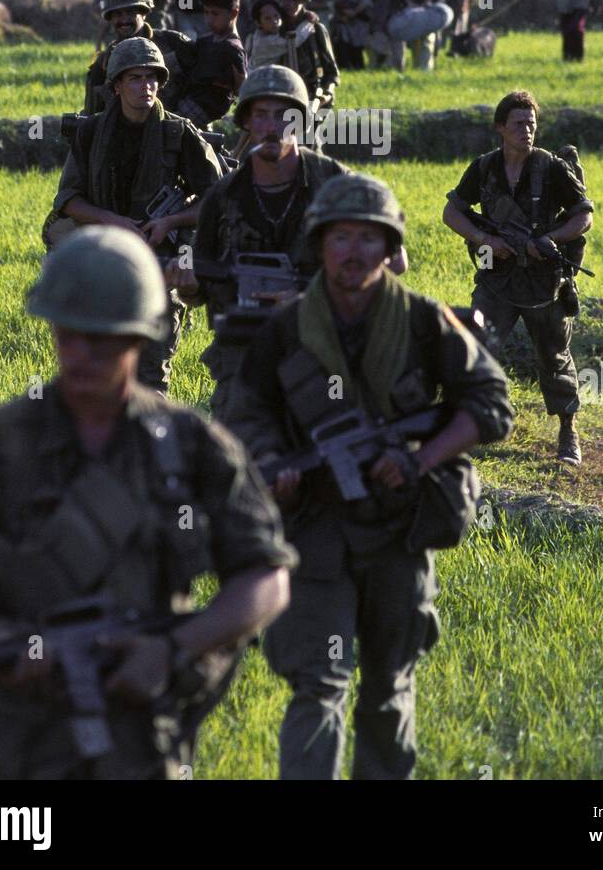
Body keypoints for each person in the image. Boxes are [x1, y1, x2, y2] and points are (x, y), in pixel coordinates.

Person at [0, 226, 294, 781]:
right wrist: (2, 640)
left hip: (145, 733)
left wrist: (174, 649)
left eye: (102, 338)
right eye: (69, 333)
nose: (81, 353)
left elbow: (266, 578)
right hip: (17, 735)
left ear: (141, 337)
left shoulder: (190, 443)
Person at [224, 173, 513, 781]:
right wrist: (271, 466)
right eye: (340, 237)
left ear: (389, 248)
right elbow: (243, 414)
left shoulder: (423, 321)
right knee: (318, 688)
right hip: (315, 533)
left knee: (387, 689)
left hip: (397, 532)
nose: (353, 253)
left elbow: (489, 403)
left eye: (368, 239)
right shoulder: (285, 327)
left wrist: (418, 457)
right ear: (320, 243)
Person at [46, 36, 222, 392]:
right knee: (97, 372)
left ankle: (150, 441)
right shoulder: (91, 132)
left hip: (160, 263)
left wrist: (170, 222)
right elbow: (68, 200)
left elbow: (217, 200)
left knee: (151, 374)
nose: (147, 86)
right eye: (136, 78)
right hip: (102, 260)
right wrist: (112, 221)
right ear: (116, 86)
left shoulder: (179, 133)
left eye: (152, 77)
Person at [190, 66, 351, 417]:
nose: (272, 127)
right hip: (243, 348)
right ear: (246, 122)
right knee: (237, 454)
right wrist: (185, 284)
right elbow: (200, 281)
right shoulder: (223, 195)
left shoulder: (334, 183)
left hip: (322, 342)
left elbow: (389, 263)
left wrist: (309, 297)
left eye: (284, 116)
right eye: (261, 115)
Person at [442, 90, 593, 465]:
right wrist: (486, 240)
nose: (527, 131)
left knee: (553, 355)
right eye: (518, 124)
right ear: (500, 127)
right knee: (476, 348)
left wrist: (548, 239)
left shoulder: (552, 167)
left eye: (532, 124)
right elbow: (452, 212)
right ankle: (468, 427)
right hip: (497, 279)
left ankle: (567, 432)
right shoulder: (483, 169)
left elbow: (583, 216)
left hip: (544, 282)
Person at [83, 0, 199, 117]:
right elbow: (92, 113)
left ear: (143, 13)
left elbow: (204, 84)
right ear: (110, 19)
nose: (124, 19)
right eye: (118, 14)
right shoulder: (104, 63)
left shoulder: (173, 43)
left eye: (130, 13)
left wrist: (184, 118)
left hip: (178, 128)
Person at [172, 0, 247, 127]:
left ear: (233, 14)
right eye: (206, 12)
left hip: (205, 106)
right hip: (187, 97)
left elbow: (242, 88)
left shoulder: (232, 49)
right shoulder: (205, 41)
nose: (209, 19)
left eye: (215, 13)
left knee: (165, 121)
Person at [271, 0, 340, 110]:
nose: (291, 4)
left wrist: (325, 96)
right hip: (278, 98)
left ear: (304, 0)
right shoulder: (270, 30)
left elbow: (332, 73)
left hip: (311, 97)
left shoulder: (316, 30)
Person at [331, 0, 372, 70]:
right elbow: (335, 2)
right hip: (342, 21)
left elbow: (365, 2)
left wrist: (354, 12)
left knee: (357, 51)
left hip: (359, 21)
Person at [245, 0, 288, 70]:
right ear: (258, 23)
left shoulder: (255, 35)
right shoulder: (265, 43)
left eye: (276, 16)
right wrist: (309, 23)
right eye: (267, 18)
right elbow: (294, 41)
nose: (274, 21)